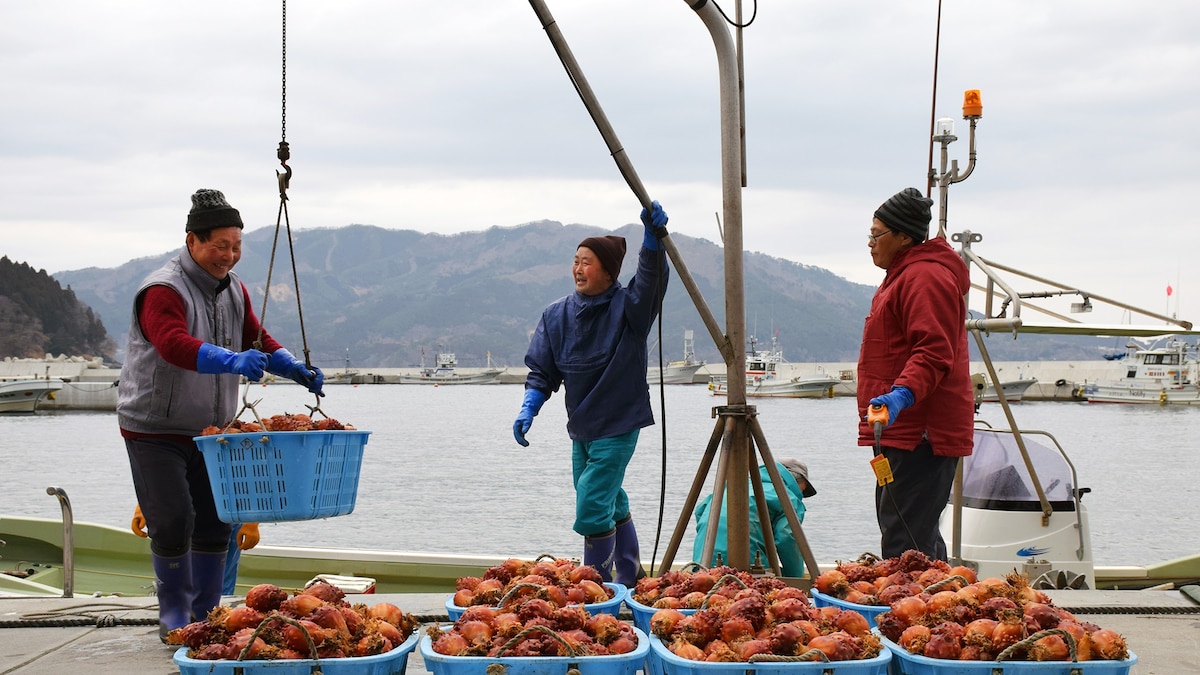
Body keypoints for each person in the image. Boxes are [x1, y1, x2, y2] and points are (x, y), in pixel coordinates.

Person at [116, 188, 325, 639]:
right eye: (220, 246)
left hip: (214, 431)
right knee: (172, 520)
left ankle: (207, 615)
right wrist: (230, 361)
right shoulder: (162, 289)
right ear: (193, 240)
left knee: (216, 522)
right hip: (155, 427)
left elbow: (257, 336)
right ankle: (174, 615)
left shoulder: (234, 290)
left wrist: (290, 365)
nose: (229, 256)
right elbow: (172, 343)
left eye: (236, 246)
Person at [512, 201, 670, 587]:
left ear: (607, 270)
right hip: (581, 426)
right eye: (576, 260)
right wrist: (529, 407)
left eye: (587, 261)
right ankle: (630, 578)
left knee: (591, 504)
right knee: (608, 499)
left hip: (618, 424)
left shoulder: (629, 309)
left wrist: (654, 241)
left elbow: (650, 281)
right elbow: (542, 371)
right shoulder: (556, 315)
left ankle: (596, 590)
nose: (578, 268)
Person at [856, 187, 974, 560]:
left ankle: (914, 614)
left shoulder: (924, 278)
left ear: (904, 236)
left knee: (905, 542)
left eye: (877, 235)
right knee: (909, 531)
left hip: (922, 434)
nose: (870, 243)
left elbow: (935, 351)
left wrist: (901, 395)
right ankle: (933, 611)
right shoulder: (901, 276)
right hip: (900, 432)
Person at [692, 458, 816, 576]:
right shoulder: (789, 499)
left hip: (703, 563)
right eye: (803, 490)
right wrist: (794, 576)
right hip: (749, 569)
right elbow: (787, 538)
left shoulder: (735, 486)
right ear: (797, 481)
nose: (802, 495)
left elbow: (700, 511)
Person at [131, 505, 259, 595]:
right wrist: (144, 505)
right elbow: (160, 470)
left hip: (229, 513)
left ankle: (216, 620)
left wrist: (252, 519)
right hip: (183, 510)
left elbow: (257, 472)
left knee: (221, 583)